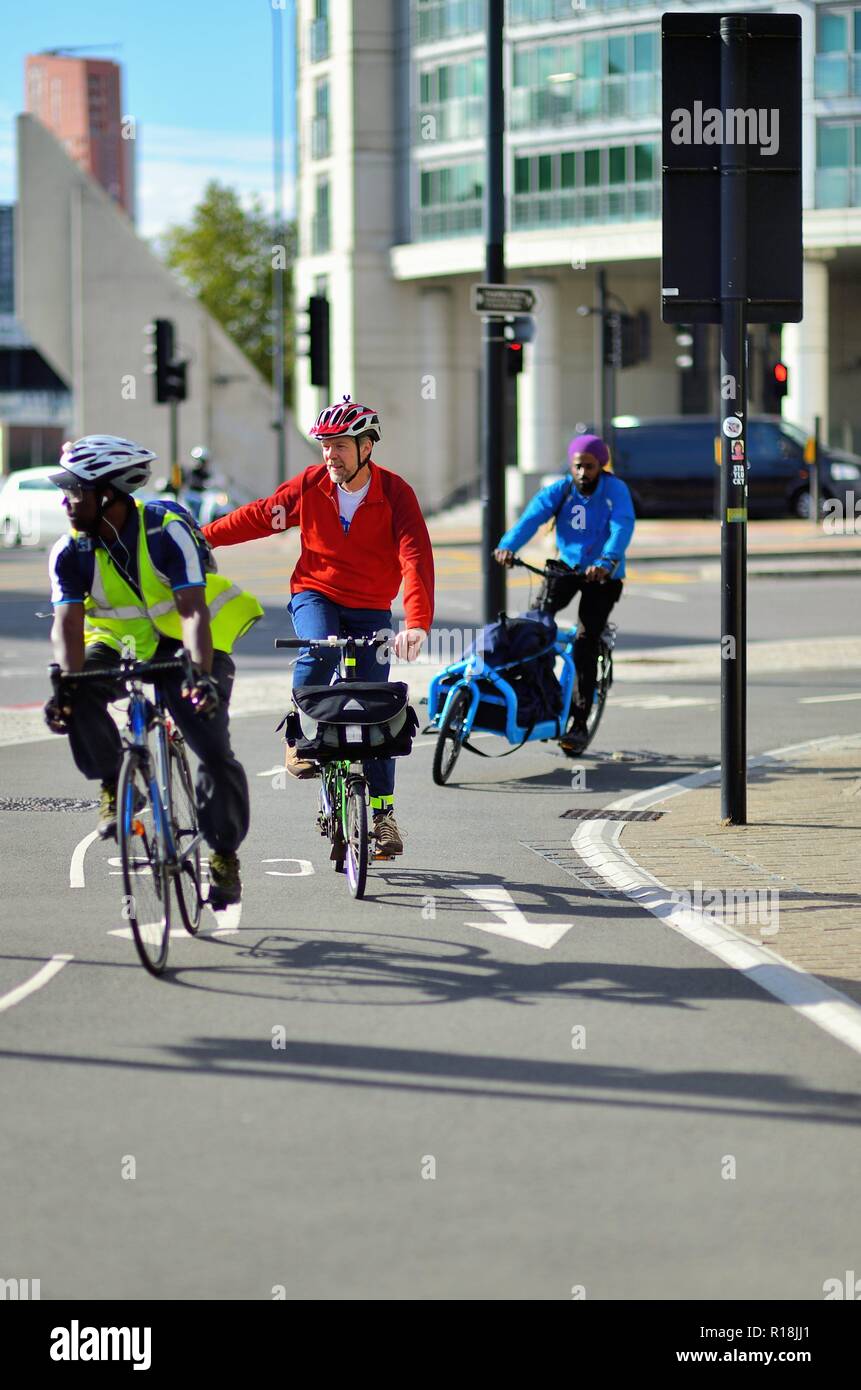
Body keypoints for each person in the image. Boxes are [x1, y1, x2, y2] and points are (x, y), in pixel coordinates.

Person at [202, 395, 434, 856]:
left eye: (341, 445)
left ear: (367, 447)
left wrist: (417, 623)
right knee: (320, 646)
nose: (330, 454)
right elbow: (259, 516)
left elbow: (415, 558)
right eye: (325, 445)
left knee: (379, 716)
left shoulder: (395, 494)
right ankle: (298, 738)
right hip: (316, 592)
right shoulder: (311, 486)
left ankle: (384, 817)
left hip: (371, 607)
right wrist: (201, 535)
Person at [43, 435, 263, 910]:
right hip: (116, 642)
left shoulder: (165, 531)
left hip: (184, 643)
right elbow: (68, 623)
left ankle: (223, 855)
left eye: (75, 490)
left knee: (211, 747)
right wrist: (65, 683)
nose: (65, 501)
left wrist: (200, 675)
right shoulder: (71, 550)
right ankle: (114, 785)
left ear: (109, 494)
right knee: (76, 690)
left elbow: (192, 612)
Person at [494, 432, 635, 751]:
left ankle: (580, 722)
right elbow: (531, 519)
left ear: (601, 465)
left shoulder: (615, 490)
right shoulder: (560, 490)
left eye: (590, 466)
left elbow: (622, 526)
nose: (583, 473)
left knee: (585, 641)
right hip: (568, 568)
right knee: (533, 627)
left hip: (603, 574)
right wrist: (507, 547)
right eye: (578, 466)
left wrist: (607, 560)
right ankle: (536, 694)